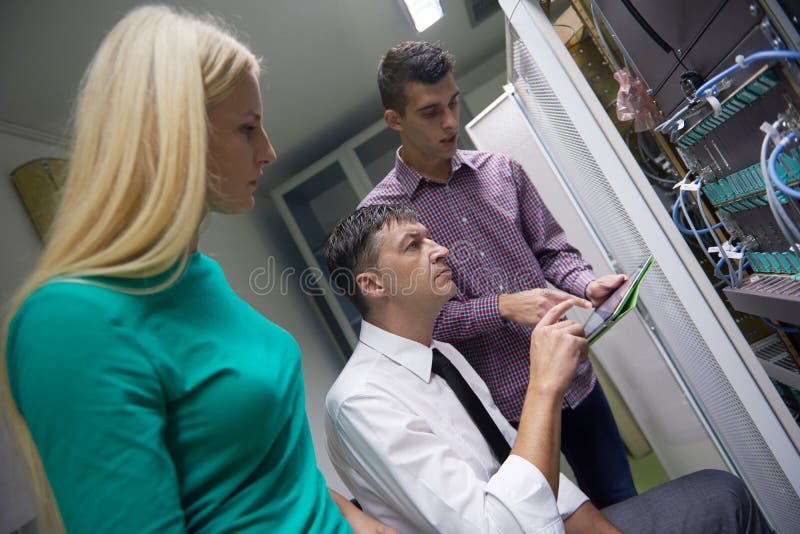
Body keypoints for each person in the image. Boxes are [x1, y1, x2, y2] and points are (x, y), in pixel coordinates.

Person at [1, 6, 395, 533]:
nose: (269, 152)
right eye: (248, 129)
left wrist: (356, 518)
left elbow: (262, 469)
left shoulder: (196, 274)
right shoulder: (69, 322)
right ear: (173, 132)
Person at [323, 203, 770, 534]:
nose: (441, 250)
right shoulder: (362, 402)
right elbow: (491, 528)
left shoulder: (445, 355)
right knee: (724, 499)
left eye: (431, 237)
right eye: (414, 246)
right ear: (373, 285)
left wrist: (599, 528)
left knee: (721, 492)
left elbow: (510, 457)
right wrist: (544, 384)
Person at [359, 41, 635, 507]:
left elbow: (551, 251)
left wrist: (585, 282)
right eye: (430, 112)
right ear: (395, 120)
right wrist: (503, 307)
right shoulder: (382, 219)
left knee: (620, 502)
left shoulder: (502, 171)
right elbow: (418, 324)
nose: (449, 122)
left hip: (573, 379)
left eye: (453, 103)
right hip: (502, 413)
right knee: (542, 522)